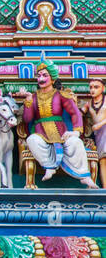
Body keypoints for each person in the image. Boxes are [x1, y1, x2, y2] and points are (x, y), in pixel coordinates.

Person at [20, 56, 96, 187]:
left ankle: (84, 175)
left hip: (61, 133)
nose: (41, 79)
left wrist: (76, 132)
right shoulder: (33, 97)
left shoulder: (61, 95)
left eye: (44, 75)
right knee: (32, 140)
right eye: (38, 76)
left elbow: (75, 112)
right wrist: (27, 100)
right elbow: (27, 119)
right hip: (41, 133)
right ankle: (49, 166)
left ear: (52, 78)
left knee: (75, 142)